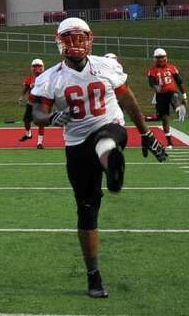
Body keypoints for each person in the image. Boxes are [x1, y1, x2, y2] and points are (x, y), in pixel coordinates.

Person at [29, 17, 169, 298]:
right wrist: (53, 117)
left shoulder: (106, 65)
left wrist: (146, 133)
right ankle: (93, 275)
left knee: (105, 140)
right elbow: (35, 114)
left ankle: (110, 164)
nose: (76, 44)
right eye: (70, 38)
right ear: (60, 43)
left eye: (81, 38)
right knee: (87, 210)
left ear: (90, 39)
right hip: (76, 143)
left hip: (110, 127)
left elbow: (127, 99)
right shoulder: (50, 77)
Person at [146, 49, 185, 149]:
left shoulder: (172, 68)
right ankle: (170, 143)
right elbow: (151, 83)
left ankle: (178, 107)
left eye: (161, 57)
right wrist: (155, 87)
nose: (160, 59)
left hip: (170, 91)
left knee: (173, 96)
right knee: (164, 118)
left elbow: (179, 81)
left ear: (166, 57)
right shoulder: (152, 70)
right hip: (160, 95)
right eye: (158, 57)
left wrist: (184, 95)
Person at [18, 59, 47, 148]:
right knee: (26, 120)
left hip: (42, 103)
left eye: (39, 66)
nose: (37, 68)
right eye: (35, 66)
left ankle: (39, 143)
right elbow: (26, 88)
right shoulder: (30, 78)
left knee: (41, 123)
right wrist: (21, 96)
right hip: (31, 103)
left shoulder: (47, 77)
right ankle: (28, 134)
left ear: (42, 67)